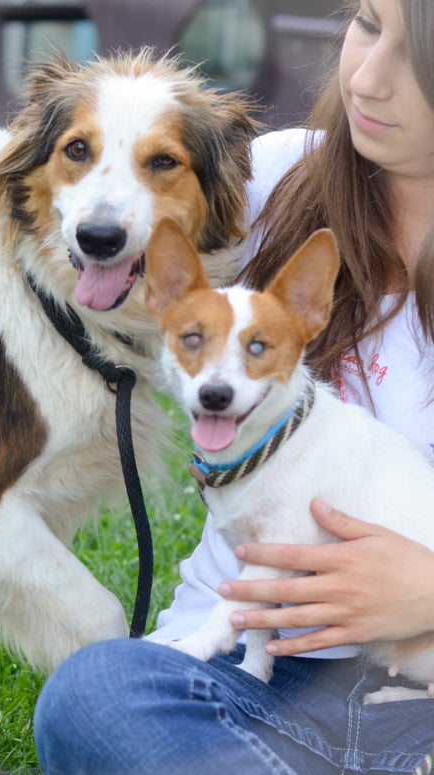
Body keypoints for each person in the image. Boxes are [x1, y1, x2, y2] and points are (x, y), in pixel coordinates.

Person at [33, 1, 434, 772]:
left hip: (417, 692)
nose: (369, 78)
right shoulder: (277, 180)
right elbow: (89, 201)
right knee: (91, 694)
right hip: (241, 679)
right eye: (367, 24)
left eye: (420, 55)